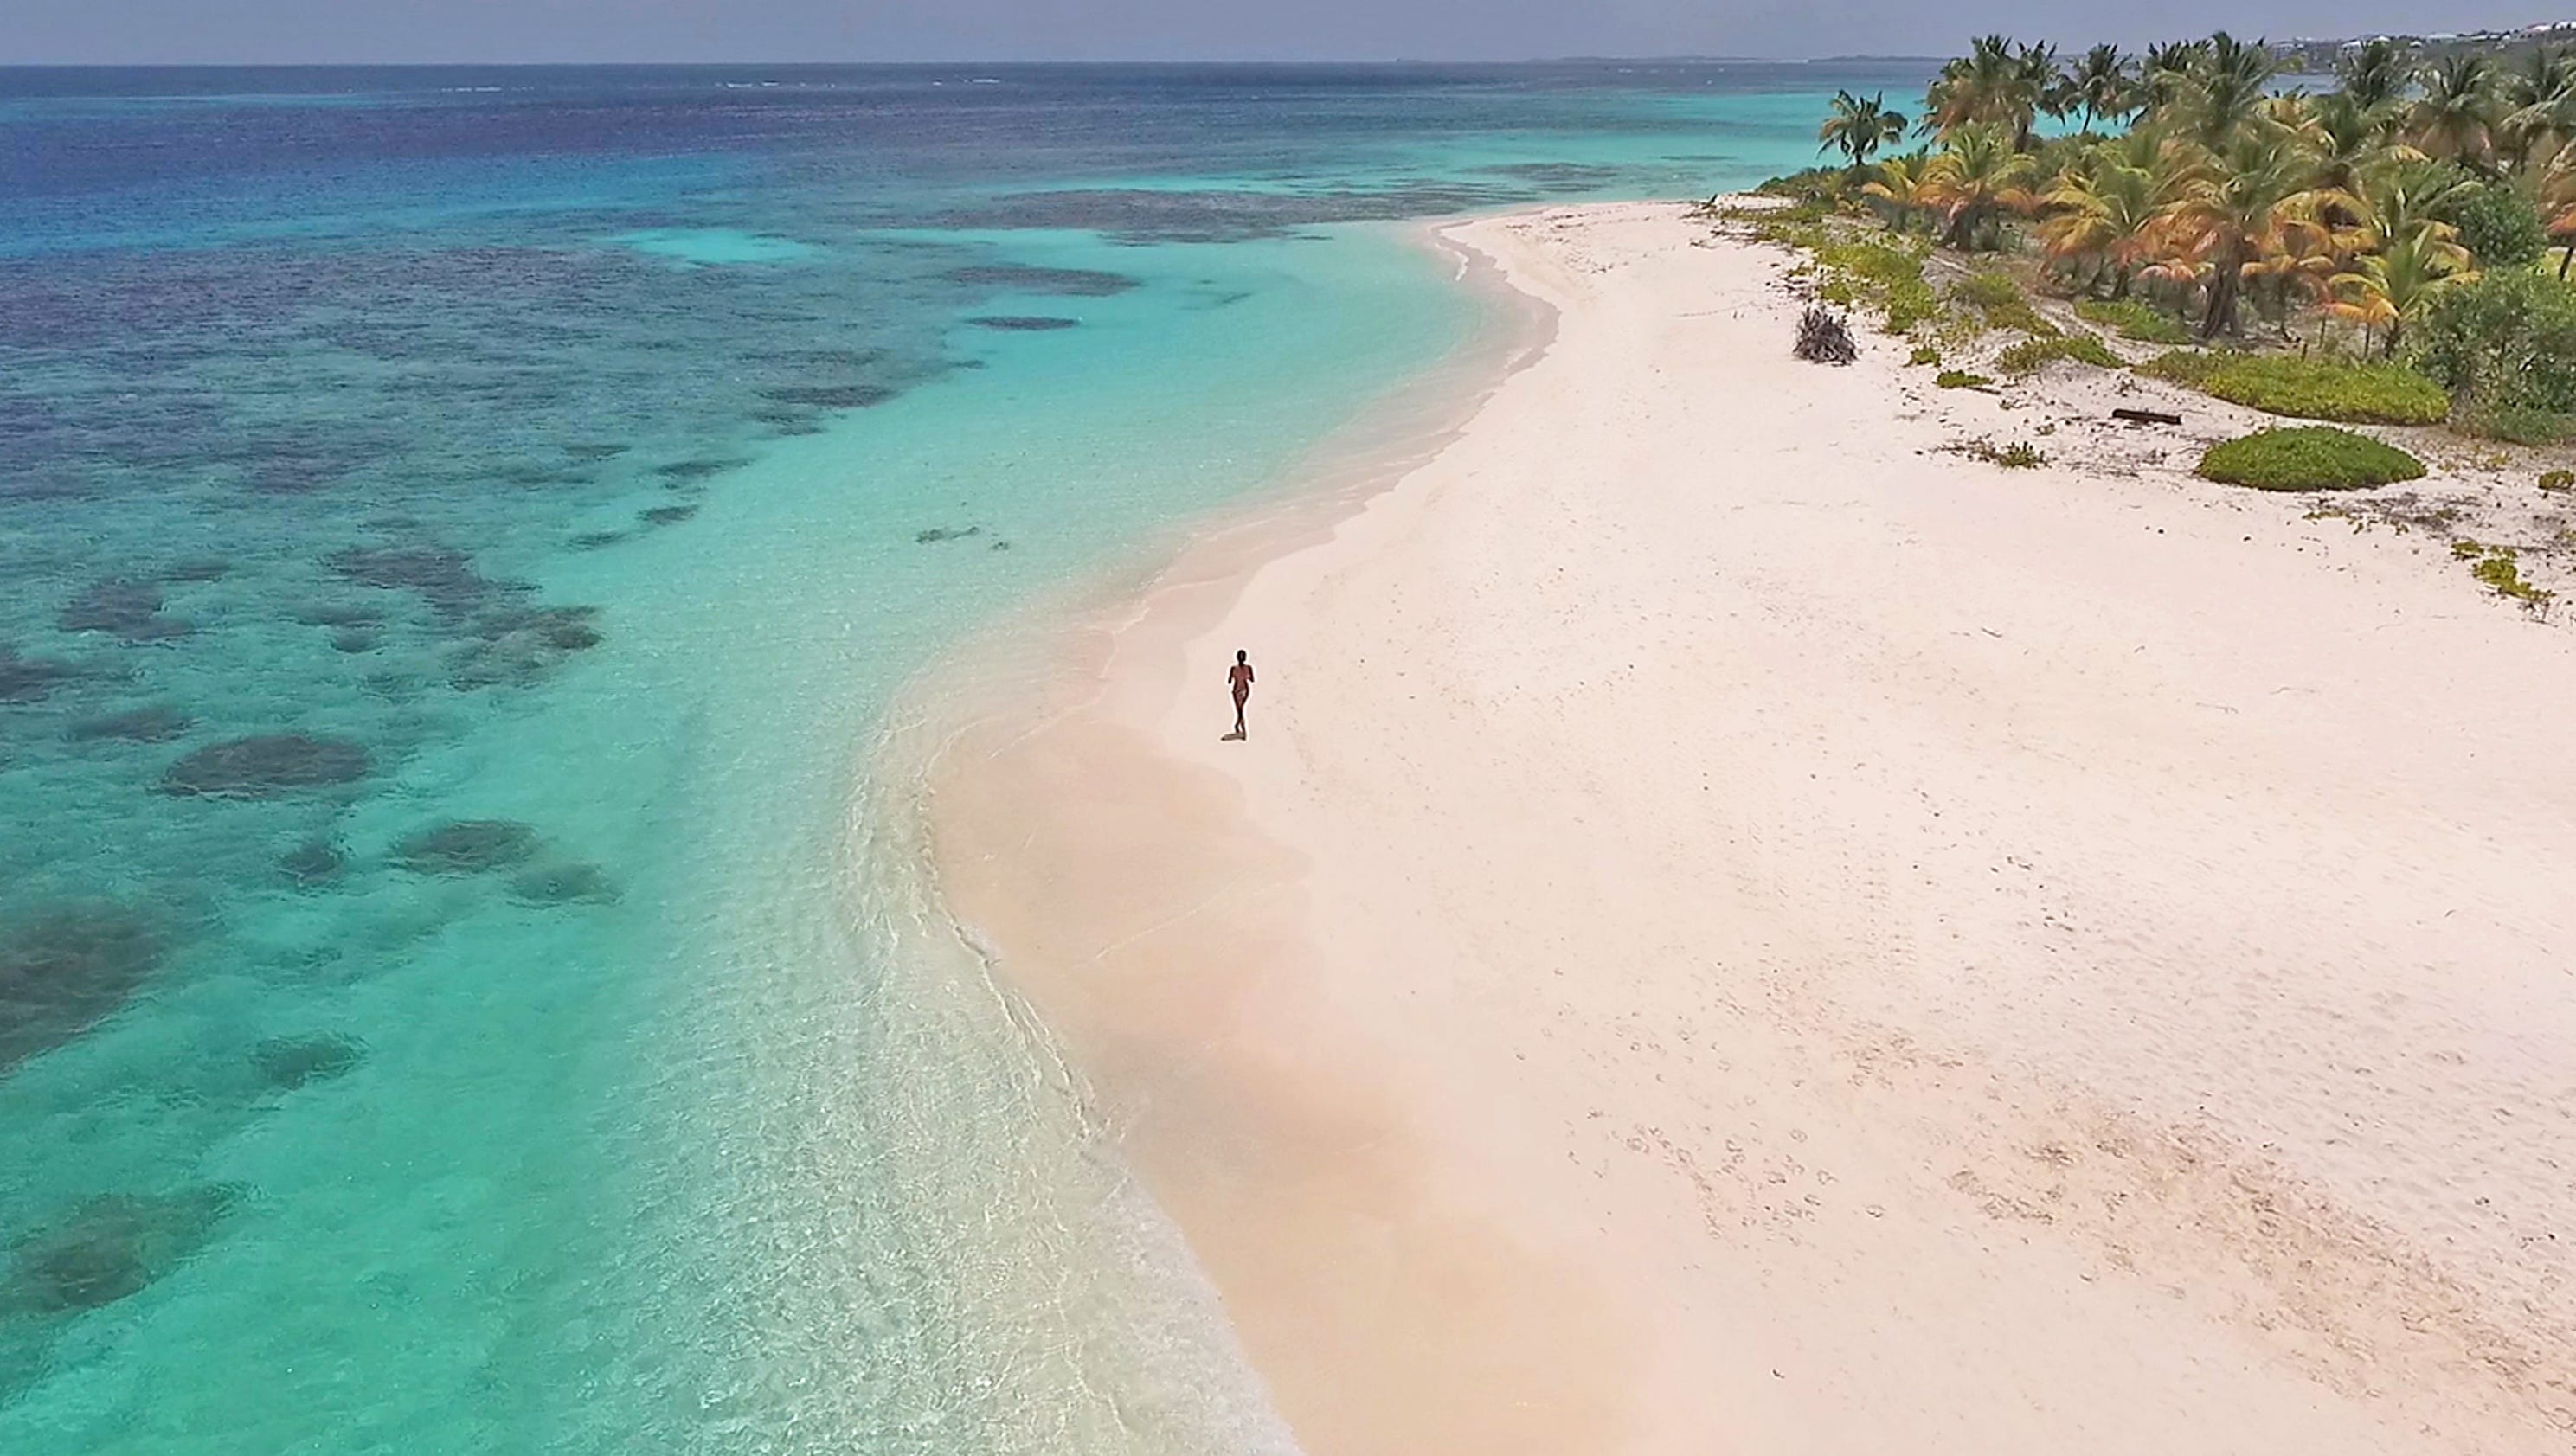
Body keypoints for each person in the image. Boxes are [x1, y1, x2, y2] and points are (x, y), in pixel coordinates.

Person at [1226, 650, 1255, 740]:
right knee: (1239, 711)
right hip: (1236, 690)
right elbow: (1229, 681)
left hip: (1245, 689)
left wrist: (1247, 675)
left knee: (1241, 709)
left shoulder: (1249, 668)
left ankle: (1242, 729)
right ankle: (1239, 727)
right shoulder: (1233, 669)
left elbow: (1252, 679)